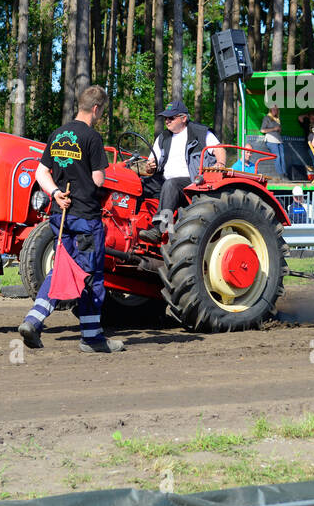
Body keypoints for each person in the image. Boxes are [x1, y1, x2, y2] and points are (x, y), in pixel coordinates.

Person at [19, 85, 123, 354]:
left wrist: (55, 193)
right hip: (87, 218)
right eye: (102, 112)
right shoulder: (92, 138)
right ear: (96, 109)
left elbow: (41, 172)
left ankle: (33, 320)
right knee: (91, 276)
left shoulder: (58, 134)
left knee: (63, 268)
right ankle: (91, 338)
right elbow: (99, 179)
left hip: (60, 216)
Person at [138, 99, 224, 243]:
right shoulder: (163, 137)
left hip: (192, 180)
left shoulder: (200, 132)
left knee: (171, 185)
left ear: (183, 118)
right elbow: (151, 162)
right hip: (164, 179)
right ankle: (133, 228)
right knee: (138, 185)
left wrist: (220, 163)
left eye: (171, 118)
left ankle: (160, 230)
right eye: (165, 118)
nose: (167, 121)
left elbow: (219, 149)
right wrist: (149, 167)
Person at [260, 104, 287, 178]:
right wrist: (274, 129)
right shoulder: (267, 118)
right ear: (270, 110)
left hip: (279, 140)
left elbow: (278, 130)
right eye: (273, 109)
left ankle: (284, 174)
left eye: (276, 109)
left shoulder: (277, 119)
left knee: (282, 156)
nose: (275, 110)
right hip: (271, 140)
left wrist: (279, 130)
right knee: (277, 157)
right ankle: (280, 175)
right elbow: (262, 130)